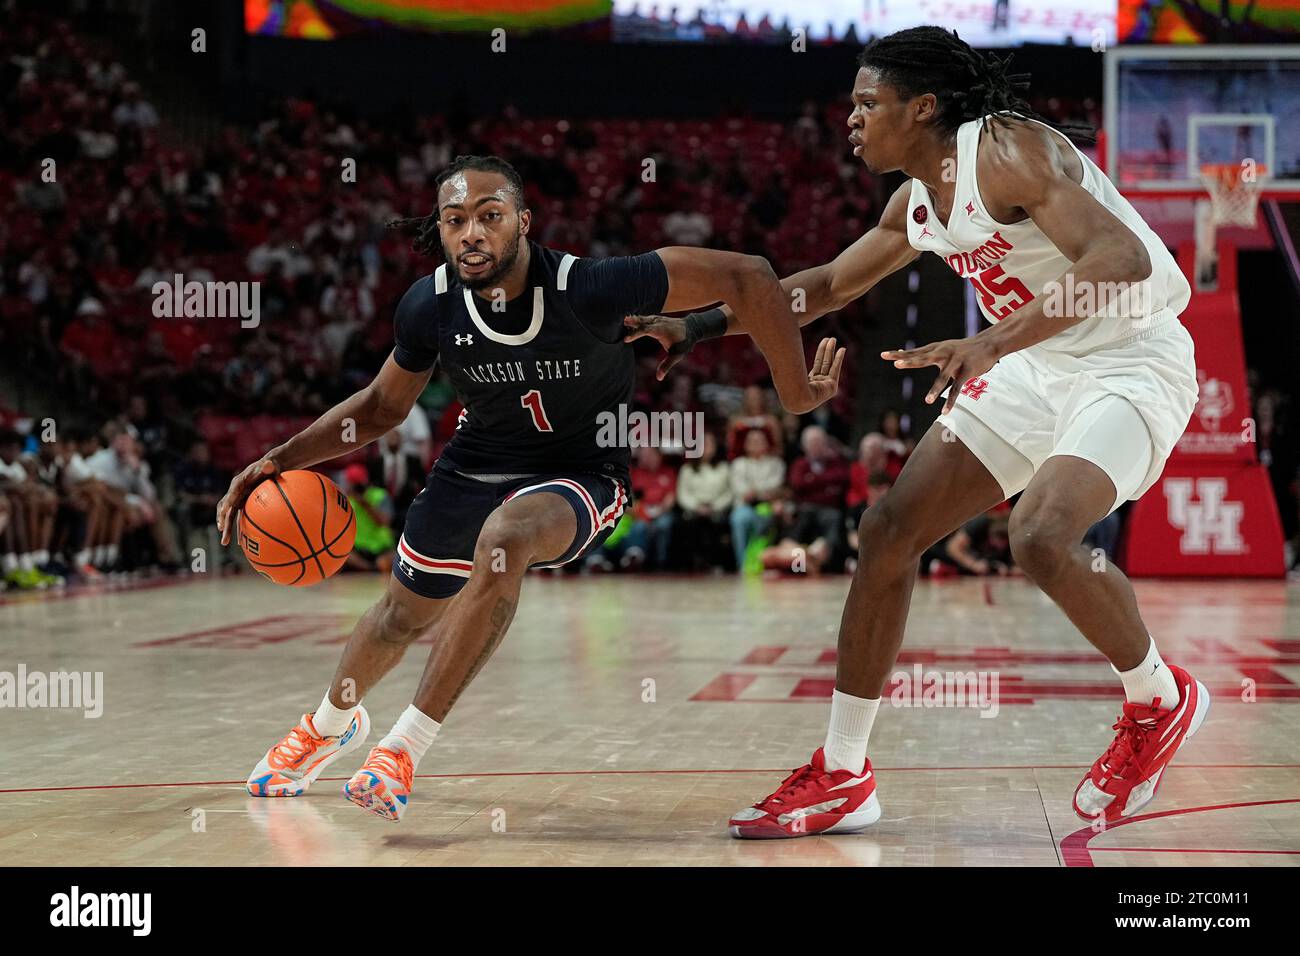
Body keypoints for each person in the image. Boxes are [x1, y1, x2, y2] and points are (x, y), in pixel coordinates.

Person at [628, 26, 1207, 837]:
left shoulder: (1006, 151)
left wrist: (989, 344)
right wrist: (695, 329)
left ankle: (1159, 698)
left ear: (924, 106)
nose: (852, 120)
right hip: (1034, 364)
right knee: (890, 529)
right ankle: (843, 772)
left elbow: (1120, 261)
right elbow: (825, 286)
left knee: (1040, 534)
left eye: (868, 103)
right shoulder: (914, 201)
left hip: (1129, 357)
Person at [216, 155, 842, 822]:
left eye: (490, 216)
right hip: (474, 467)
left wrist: (797, 394)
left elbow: (750, 276)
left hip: (582, 472)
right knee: (399, 617)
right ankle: (331, 722)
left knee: (505, 540)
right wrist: (279, 459)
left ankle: (404, 746)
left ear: (523, 222)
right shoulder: (429, 304)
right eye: (455, 221)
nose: (472, 234)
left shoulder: (591, 288)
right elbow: (379, 409)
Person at [728, 428, 786, 572]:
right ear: (745, 445)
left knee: (772, 515)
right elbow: (741, 490)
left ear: (767, 444)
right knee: (740, 519)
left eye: (759, 441)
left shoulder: (776, 463)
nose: (755, 444)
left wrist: (757, 492)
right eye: (751, 441)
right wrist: (762, 492)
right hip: (745, 507)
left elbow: (776, 486)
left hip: (769, 506)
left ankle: (765, 564)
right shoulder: (738, 464)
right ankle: (744, 565)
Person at [675, 431, 732, 571]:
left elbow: (729, 493)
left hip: (717, 509)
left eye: (710, 444)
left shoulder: (724, 468)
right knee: (687, 524)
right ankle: (693, 562)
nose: (706, 448)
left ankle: (715, 562)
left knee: (716, 524)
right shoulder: (687, 469)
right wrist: (696, 507)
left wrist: (715, 507)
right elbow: (682, 494)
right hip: (693, 509)